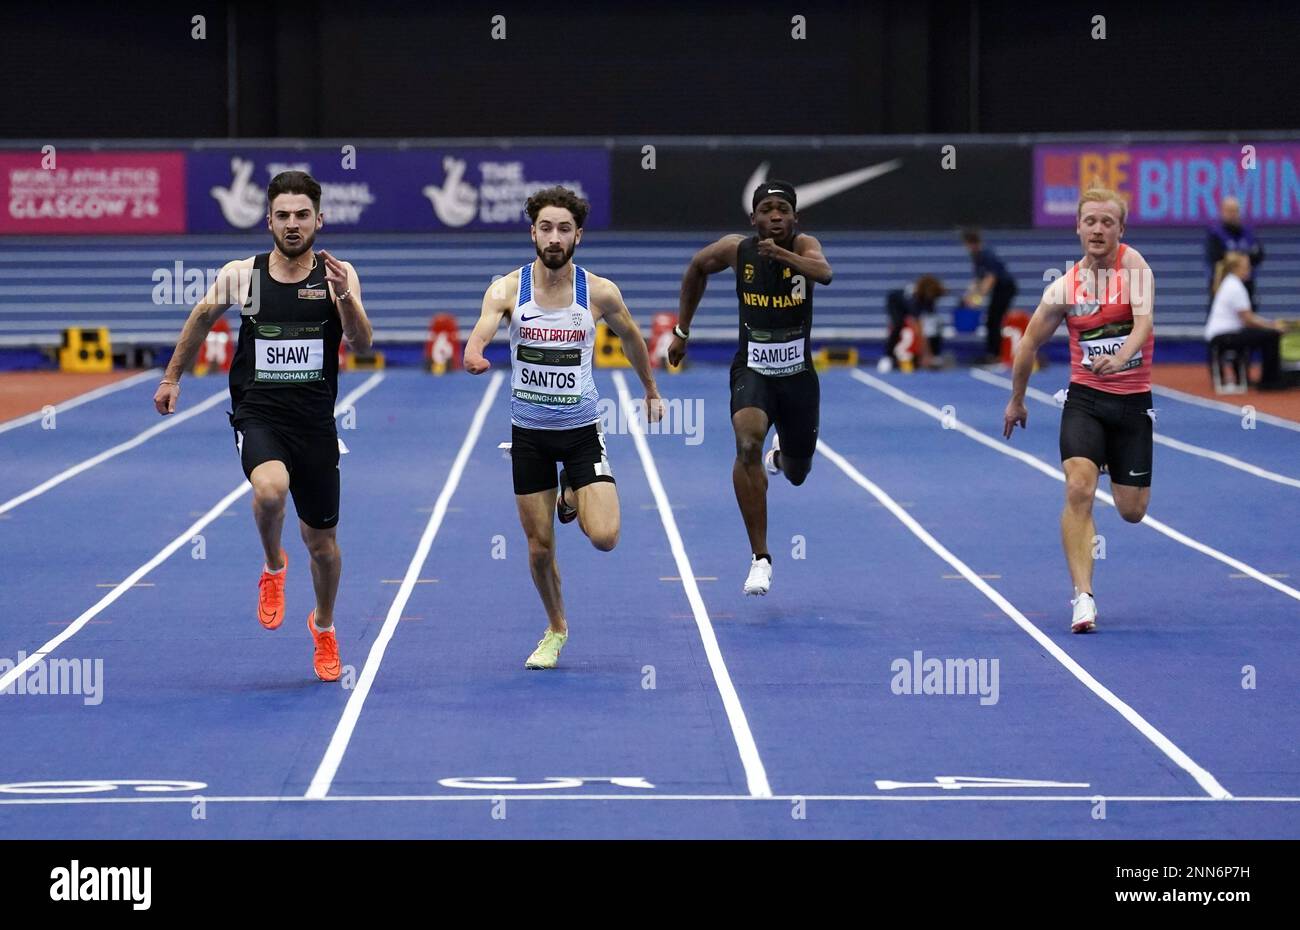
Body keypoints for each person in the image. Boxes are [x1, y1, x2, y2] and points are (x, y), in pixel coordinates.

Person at [153, 171, 372, 680]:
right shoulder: (244, 275)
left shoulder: (338, 274)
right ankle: (274, 566)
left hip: (315, 424)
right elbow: (202, 318)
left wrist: (345, 298)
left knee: (324, 548)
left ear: (319, 219)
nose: (292, 225)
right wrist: (172, 378)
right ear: (267, 220)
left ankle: (324, 626)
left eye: (302, 216)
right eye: (282, 216)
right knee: (270, 490)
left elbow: (361, 343)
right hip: (260, 414)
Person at [463, 186, 662, 670]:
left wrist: (650, 390)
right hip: (529, 434)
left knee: (605, 536)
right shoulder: (508, 289)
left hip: (580, 431)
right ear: (533, 232)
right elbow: (483, 328)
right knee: (538, 548)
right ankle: (556, 629)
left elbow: (633, 337)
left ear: (579, 237)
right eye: (546, 228)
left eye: (564, 229)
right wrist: (474, 351)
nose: (554, 237)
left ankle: (571, 490)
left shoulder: (598, 293)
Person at [667, 180, 833, 596]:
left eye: (782, 210)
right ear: (753, 217)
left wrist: (783, 255)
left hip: (798, 376)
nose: (775, 216)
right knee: (746, 444)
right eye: (766, 209)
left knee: (797, 473)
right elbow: (696, 268)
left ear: (795, 218)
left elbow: (824, 273)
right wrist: (682, 331)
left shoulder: (805, 243)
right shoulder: (735, 249)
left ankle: (781, 456)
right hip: (753, 369)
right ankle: (760, 557)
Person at [1002, 188, 1154, 634]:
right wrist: (1017, 398)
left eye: (1108, 222)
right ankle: (1083, 597)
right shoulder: (1065, 288)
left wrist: (1123, 354)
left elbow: (1143, 322)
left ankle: (1115, 462)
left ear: (1120, 230)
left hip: (1132, 403)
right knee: (1079, 488)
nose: (1098, 229)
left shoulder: (1134, 267)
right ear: (1078, 228)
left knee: (1132, 510)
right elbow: (1028, 342)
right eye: (1090, 221)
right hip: (1084, 400)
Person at [1205, 251, 1287, 390]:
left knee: (1265, 334)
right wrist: (1272, 326)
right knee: (1271, 335)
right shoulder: (1235, 286)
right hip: (1224, 335)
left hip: (1225, 333)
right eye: (1246, 267)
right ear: (1236, 268)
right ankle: (1270, 381)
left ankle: (1266, 378)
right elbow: (1248, 319)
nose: (1249, 270)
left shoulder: (1230, 283)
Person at [960, 228, 1018, 363]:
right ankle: (992, 352)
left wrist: (977, 298)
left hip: (1005, 288)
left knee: (994, 320)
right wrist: (967, 296)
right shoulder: (976, 256)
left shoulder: (985, 254)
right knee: (992, 321)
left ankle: (995, 354)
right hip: (999, 289)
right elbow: (977, 280)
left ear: (970, 243)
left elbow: (990, 278)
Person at [1206, 196, 1264, 307]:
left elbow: (1259, 254)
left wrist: (1235, 256)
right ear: (1222, 212)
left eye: (1235, 211)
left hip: (1247, 287)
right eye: (1229, 211)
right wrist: (1244, 255)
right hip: (1222, 287)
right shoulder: (1215, 234)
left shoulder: (1248, 232)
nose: (1233, 214)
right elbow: (1217, 259)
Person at [884, 275, 947, 369]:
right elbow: (918, 329)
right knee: (898, 325)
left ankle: (935, 355)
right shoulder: (914, 300)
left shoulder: (928, 299)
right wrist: (925, 353)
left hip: (909, 304)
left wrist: (931, 354)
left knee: (935, 324)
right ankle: (888, 356)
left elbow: (930, 321)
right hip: (896, 304)